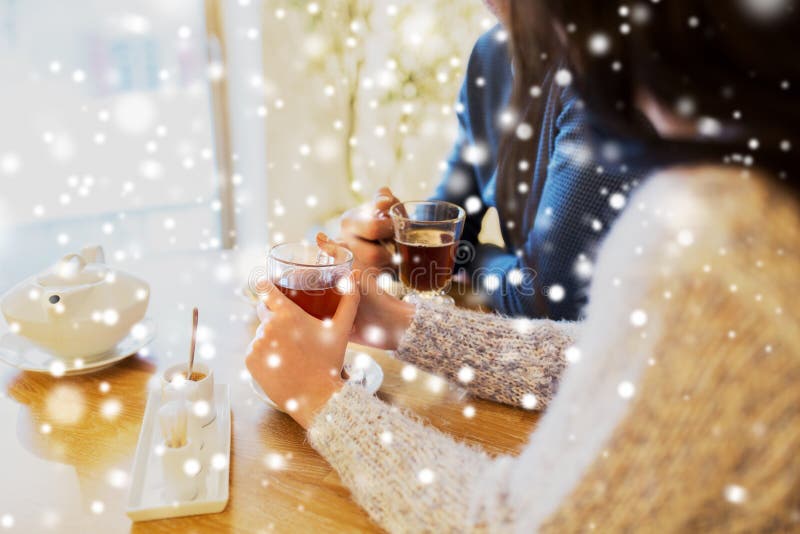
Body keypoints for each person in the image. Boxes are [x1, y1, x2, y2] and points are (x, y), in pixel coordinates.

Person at [247, 1, 800, 531]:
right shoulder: (736, 196)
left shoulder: (708, 231)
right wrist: (396, 321)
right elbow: (603, 354)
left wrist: (320, 399)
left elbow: (514, 524)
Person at [340, 1, 648, 320]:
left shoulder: (608, 74)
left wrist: (468, 259)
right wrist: (389, 244)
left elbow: (542, 297)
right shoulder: (491, 55)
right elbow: (451, 220)